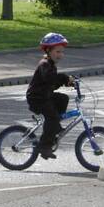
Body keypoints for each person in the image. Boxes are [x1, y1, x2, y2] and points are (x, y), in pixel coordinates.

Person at [26, 32, 74, 160]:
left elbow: (53, 83)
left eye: (62, 52)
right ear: (48, 51)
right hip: (37, 98)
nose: (60, 55)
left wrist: (69, 81)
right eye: (57, 52)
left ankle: (55, 127)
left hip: (45, 95)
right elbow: (50, 79)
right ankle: (45, 146)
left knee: (63, 99)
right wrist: (64, 78)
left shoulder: (51, 65)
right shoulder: (45, 64)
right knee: (52, 118)